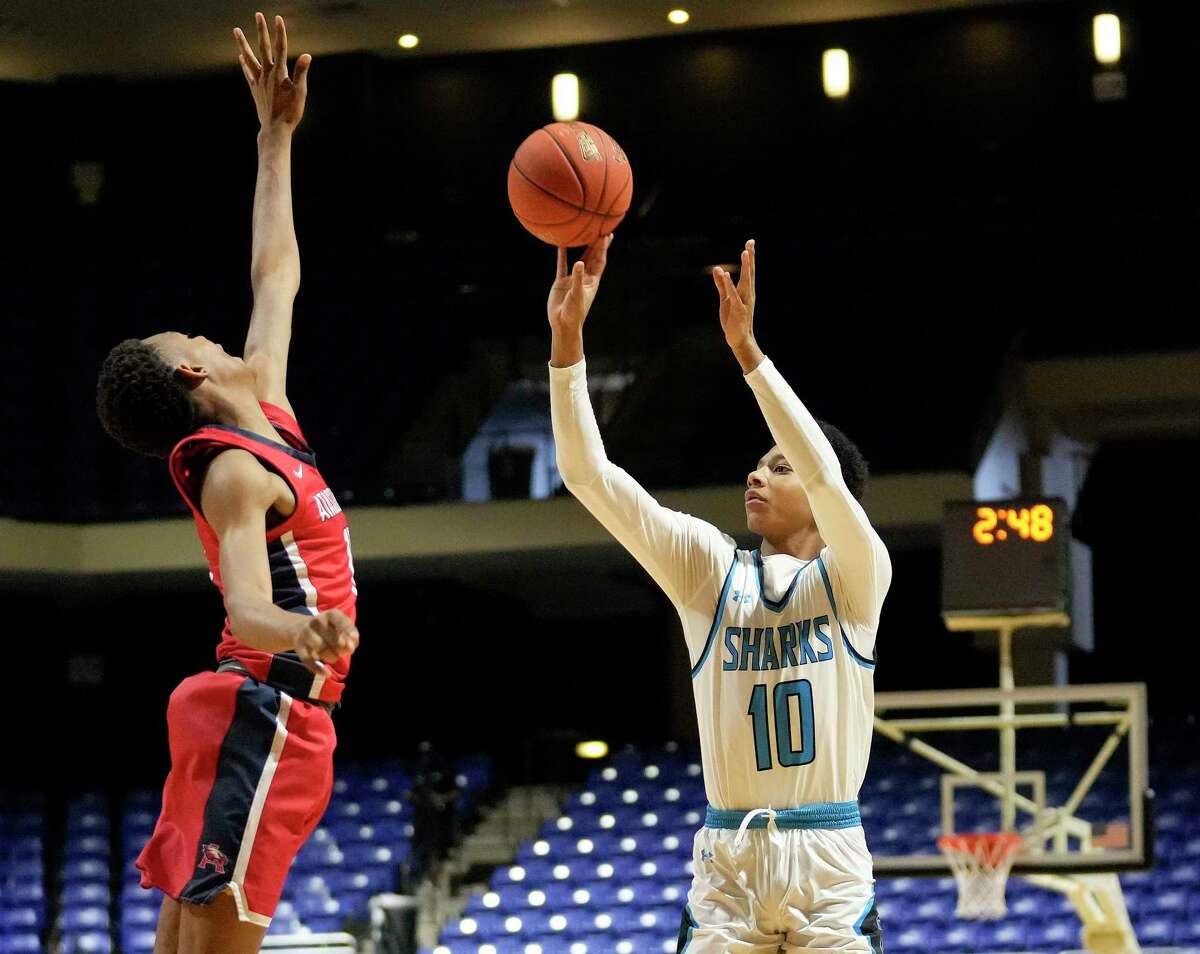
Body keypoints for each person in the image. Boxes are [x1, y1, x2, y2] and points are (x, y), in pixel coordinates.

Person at [94, 13, 359, 952]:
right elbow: (250, 606)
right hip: (270, 704)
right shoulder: (238, 473)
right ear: (193, 378)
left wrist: (274, 139)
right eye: (191, 342)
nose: (206, 334)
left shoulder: (270, 417)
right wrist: (309, 629)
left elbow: (275, 269)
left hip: (247, 707)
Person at [547, 236, 889, 952]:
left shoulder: (857, 577)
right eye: (757, 464)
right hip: (727, 859)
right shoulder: (711, 572)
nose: (756, 476)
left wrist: (750, 356)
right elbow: (589, 478)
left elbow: (828, 477)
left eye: (779, 465)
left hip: (827, 858)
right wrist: (567, 349)